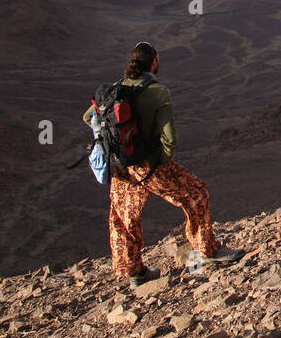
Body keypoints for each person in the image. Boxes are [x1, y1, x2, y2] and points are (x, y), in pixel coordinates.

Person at [88, 41, 243, 288]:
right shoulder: (157, 92)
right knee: (196, 192)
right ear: (154, 62)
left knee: (123, 216)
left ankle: (133, 272)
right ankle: (208, 250)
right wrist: (163, 161)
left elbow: (89, 116)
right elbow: (169, 137)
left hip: (122, 166)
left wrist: (115, 142)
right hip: (149, 165)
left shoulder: (116, 89)